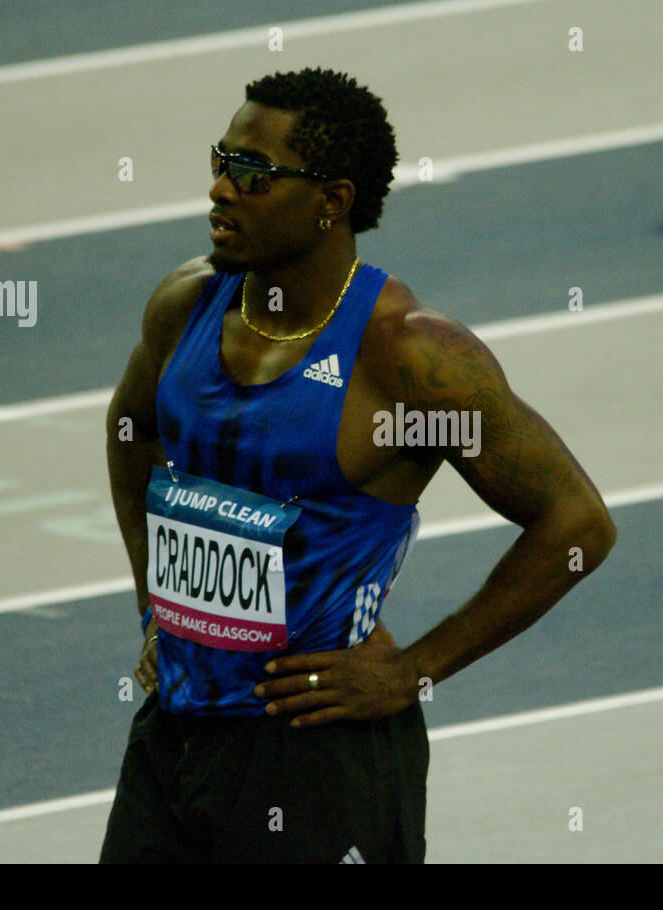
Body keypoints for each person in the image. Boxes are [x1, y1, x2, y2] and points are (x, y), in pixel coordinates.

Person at [99, 67, 615, 864]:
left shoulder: (408, 356)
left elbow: (578, 524)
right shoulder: (186, 304)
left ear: (331, 200)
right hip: (175, 729)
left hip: (316, 750)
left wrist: (414, 670)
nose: (220, 190)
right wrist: (153, 603)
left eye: (253, 173)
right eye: (221, 161)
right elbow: (132, 427)